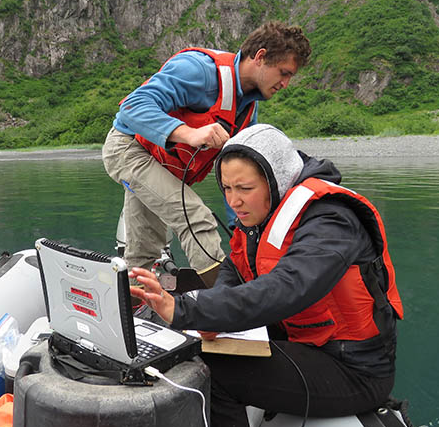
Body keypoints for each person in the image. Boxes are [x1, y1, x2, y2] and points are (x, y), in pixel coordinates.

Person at [129, 124, 404, 427]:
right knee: (195, 345)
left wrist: (186, 309)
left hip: (354, 371)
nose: (233, 201)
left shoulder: (332, 220)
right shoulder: (261, 215)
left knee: (219, 373)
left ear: (277, 180)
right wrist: (206, 311)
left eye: (244, 189)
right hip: (306, 346)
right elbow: (235, 269)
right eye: (226, 188)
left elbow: (289, 287)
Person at [102, 21, 311, 279]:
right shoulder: (199, 71)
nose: (286, 83)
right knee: (195, 218)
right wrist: (188, 133)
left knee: (143, 254)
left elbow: (237, 176)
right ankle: (226, 304)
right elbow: (132, 106)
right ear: (260, 57)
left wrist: (244, 228)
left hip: (161, 164)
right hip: (127, 148)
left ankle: (130, 309)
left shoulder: (246, 112)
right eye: (284, 73)